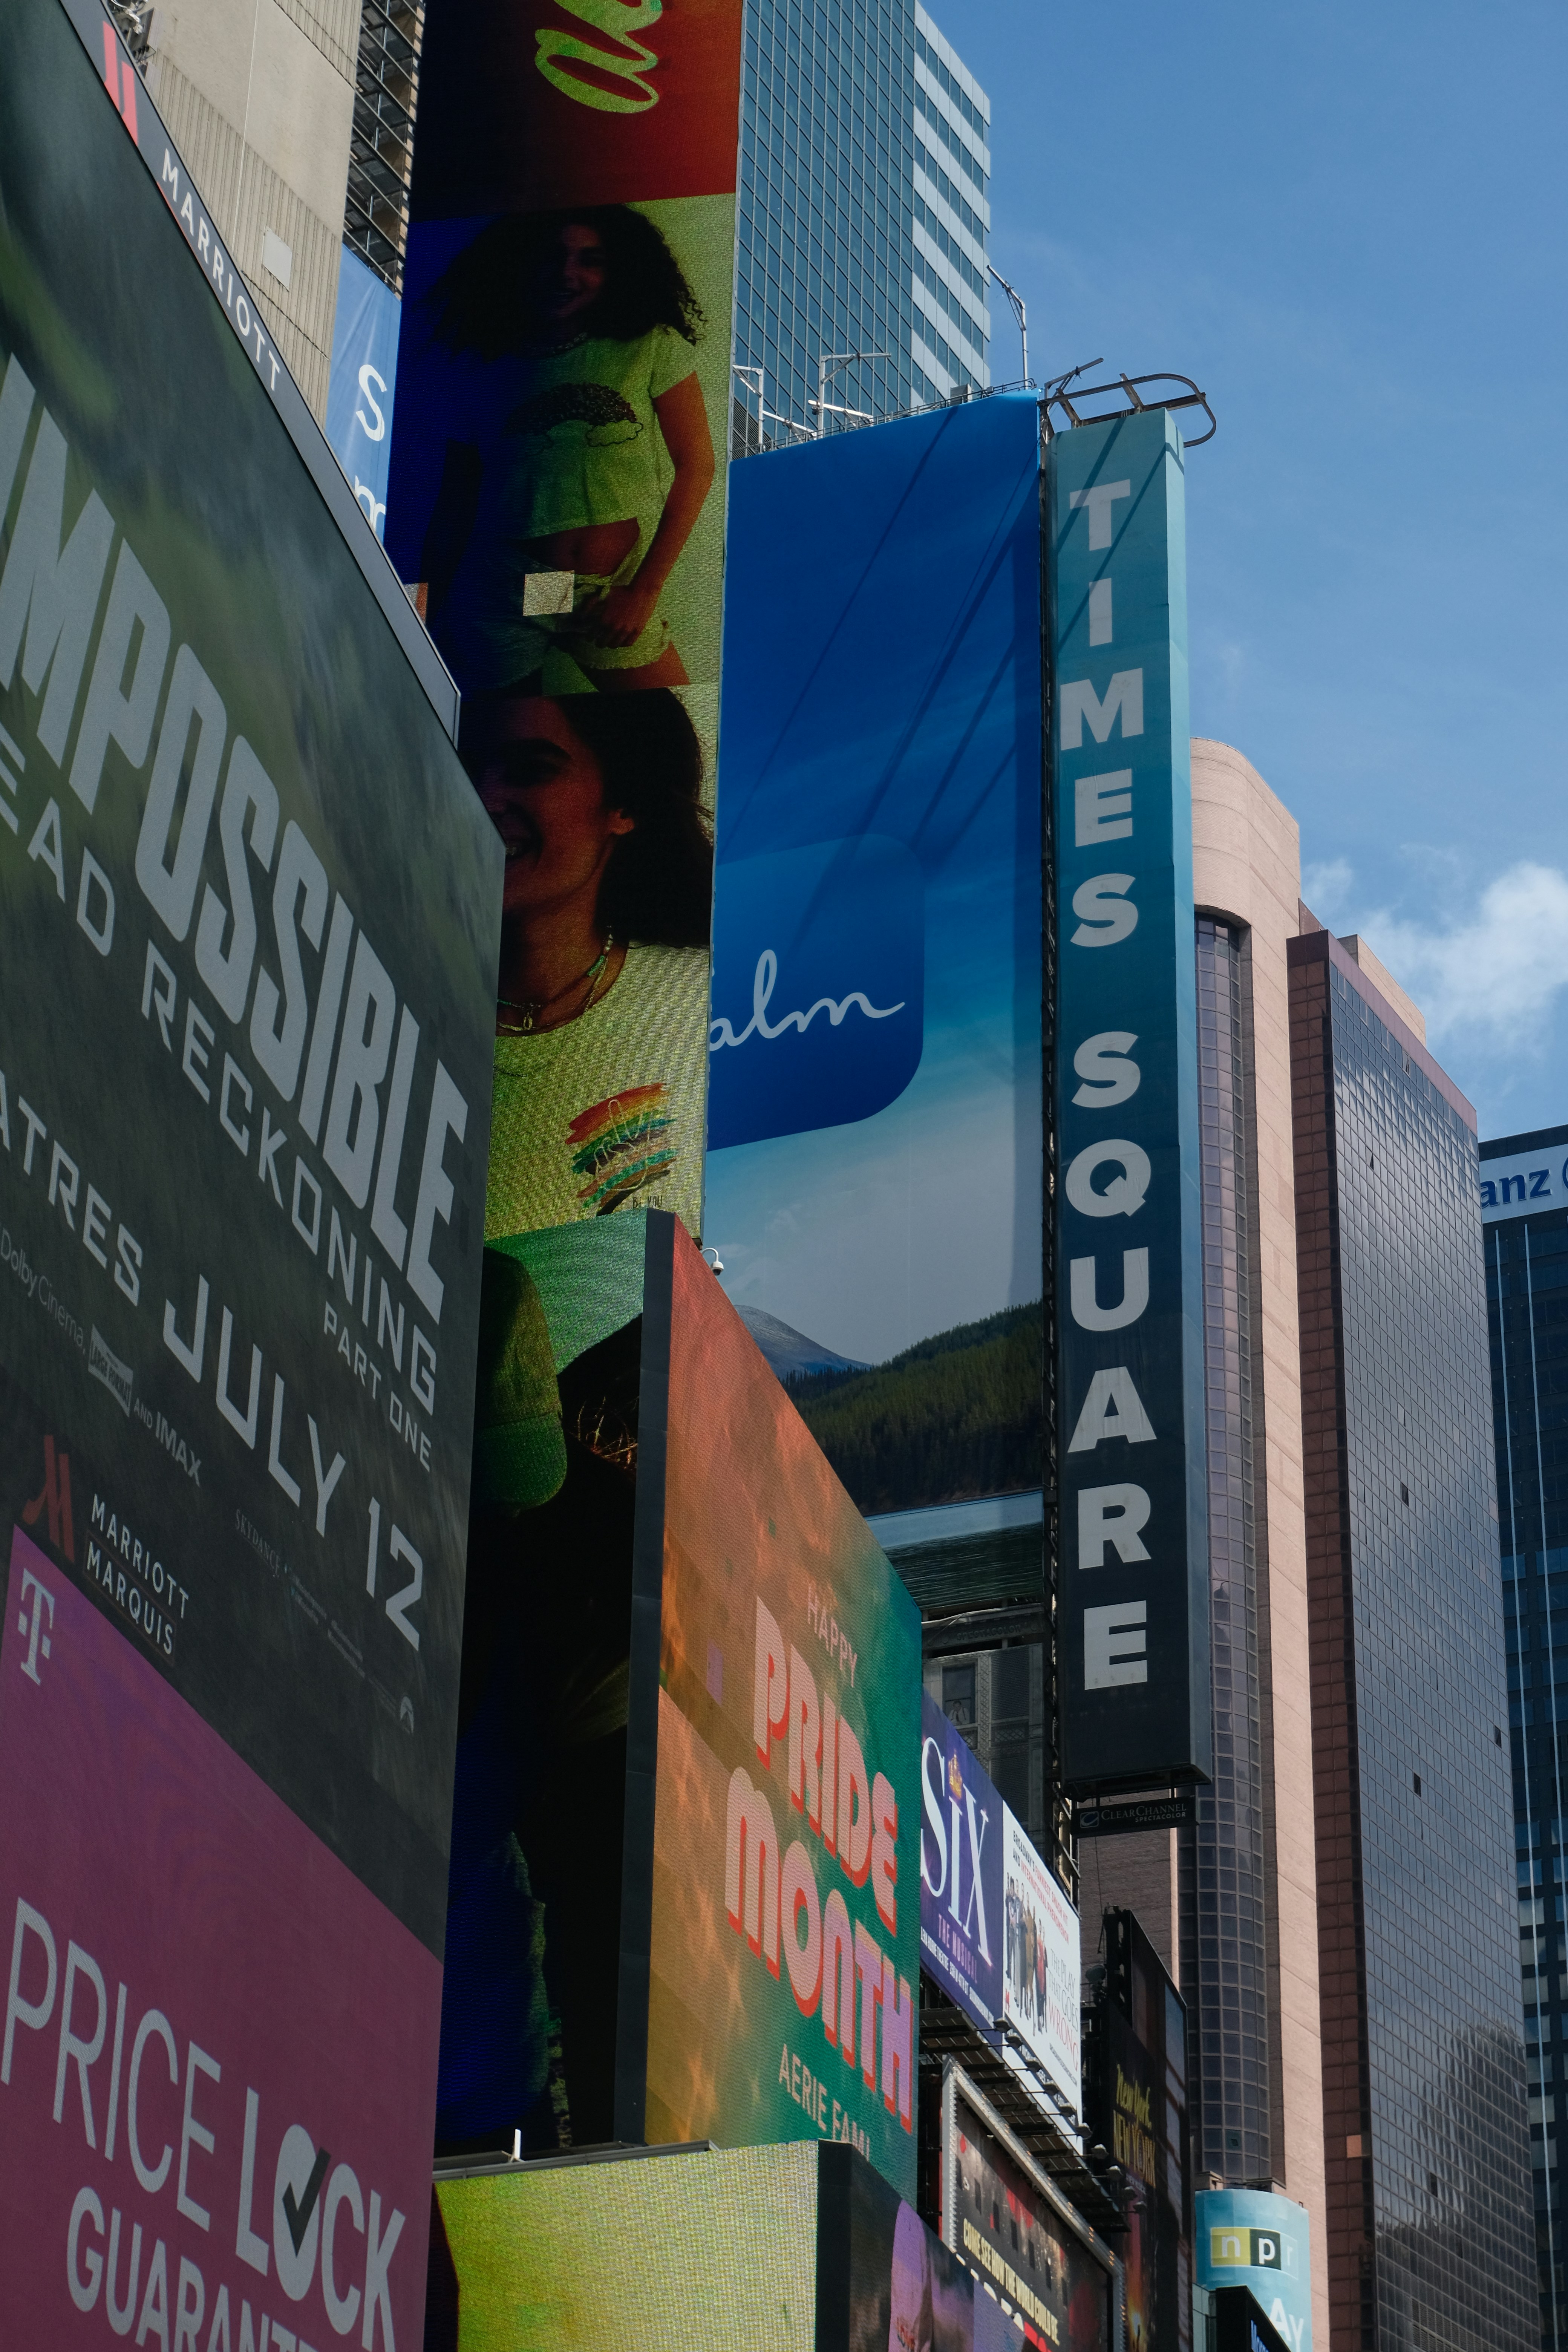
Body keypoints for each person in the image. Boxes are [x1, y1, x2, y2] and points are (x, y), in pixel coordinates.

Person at [417, 206, 716, 693]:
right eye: (552, 257)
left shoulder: (648, 347)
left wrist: (643, 592)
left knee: (672, 739)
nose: (566, 273)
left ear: (617, 271)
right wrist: (425, 601)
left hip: (606, 592)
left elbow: (697, 466)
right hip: (505, 592)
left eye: (590, 260)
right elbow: (455, 500)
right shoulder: (481, 368)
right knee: (509, 750)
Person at [464, 686, 713, 1237]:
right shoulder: (385, 989)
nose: (485, 797)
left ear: (625, 807)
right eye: (467, 767)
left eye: (531, 771)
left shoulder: (700, 1006)